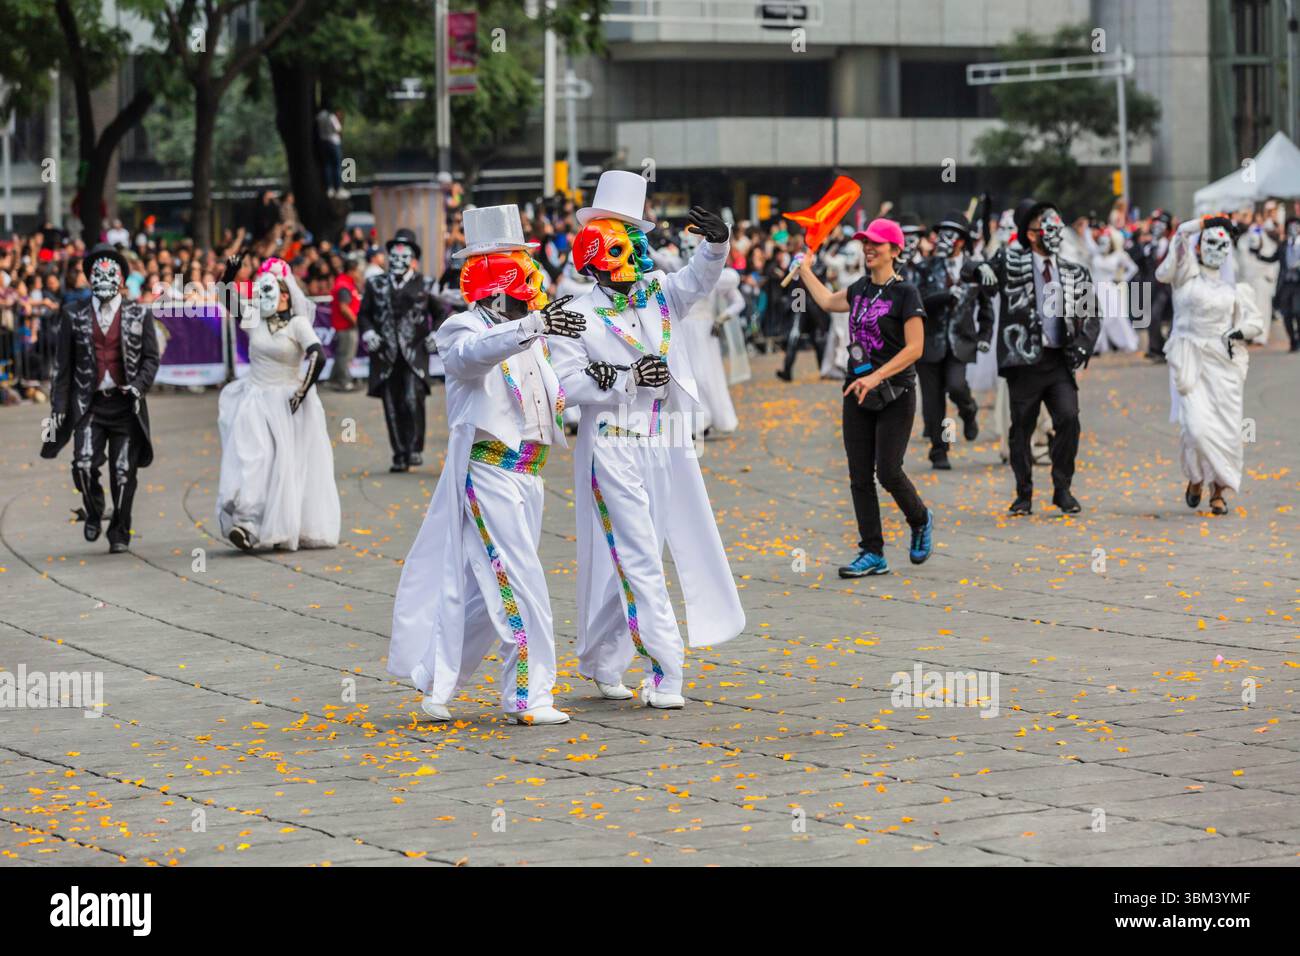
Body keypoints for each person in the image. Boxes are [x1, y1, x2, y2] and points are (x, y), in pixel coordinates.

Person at [548, 170, 745, 710]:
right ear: (592, 256)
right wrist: (629, 378)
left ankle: (602, 658)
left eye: (637, 244)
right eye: (620, 246)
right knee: (638, 556)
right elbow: (564, 386)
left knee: (639, 552)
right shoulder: (577, 313)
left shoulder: (659, 292)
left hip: (664, 441)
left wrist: (717, 243)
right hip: (611, 443)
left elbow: (698, 281)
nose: (633, 258)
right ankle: (668, 668)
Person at [389, 205, 586, 725]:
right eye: (523, 276)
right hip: (489, 472)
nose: (534, 288)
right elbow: (469, 357)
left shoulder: (532, 333)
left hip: (530, 476)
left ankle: (433, 676)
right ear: (498, 284)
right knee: (524, 584)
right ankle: (528, 694)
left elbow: (558, 394)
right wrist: (534, 325)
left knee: (484, 587)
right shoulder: (463, 328)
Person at [798, 218, 933, 577]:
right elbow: (827, 301)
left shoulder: (907, 294)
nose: (869, 249)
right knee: (859, 476)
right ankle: (872, 552)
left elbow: (916, 348)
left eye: (877, 243)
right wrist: (804, 270)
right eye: (865, 243)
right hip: (856, 390)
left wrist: (876, 376)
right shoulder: (859, 288)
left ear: (895, 250)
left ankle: (919, 518)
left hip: (895, 392)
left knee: (888, 471)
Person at [40, 244, 159, 553]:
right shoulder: (73, 314)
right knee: (82, 464)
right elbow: (62, 367)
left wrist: (138, 386)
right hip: (88, 404)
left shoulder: (138, 313)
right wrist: (56, 412)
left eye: (111, 275)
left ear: (121, 280)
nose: (104, 280)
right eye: (97, 274)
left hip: (125, 406)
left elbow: (150, 359)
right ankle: (94, 510)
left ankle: (119, 531)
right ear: (90, 279)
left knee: (123, 473)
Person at [214, 257, 339, 550]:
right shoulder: (253, 318)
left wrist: (302, 392)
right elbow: (224, 296)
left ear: (285, 295)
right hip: (255, 399)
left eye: (269, 291)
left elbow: (318, 356)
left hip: (288, 403)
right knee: (253, 459)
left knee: (285, 466)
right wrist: (231, 271)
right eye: (260, 291)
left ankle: (287, 525)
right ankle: (247, 523)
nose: (263, 297)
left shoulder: (297, 324)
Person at [985, 199, 1099, 516]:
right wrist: (976, 268)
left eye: (1056, 227)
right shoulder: (1009, 262)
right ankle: (1024, 494)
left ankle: (1062, 489)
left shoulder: (1074, 271)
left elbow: (1092, 312)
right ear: (1032, 234)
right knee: (1021, 428)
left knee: (1068, 418)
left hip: (1058, 360)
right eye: (1046, 227)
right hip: (1024, 362)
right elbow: (979, 274)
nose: (1054, 233)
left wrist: (1082, 346)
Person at [1158, 215, 1264, 515]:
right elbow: (1178, 238)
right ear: (1200, 246)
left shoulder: (1235, 289)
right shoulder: (1185, 273)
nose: (1216, 249)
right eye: (1209, 242)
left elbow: (1253, 321)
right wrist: (1202, 223)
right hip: (1188, 359)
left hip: (1224, 364)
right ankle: (1195, 477)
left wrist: (1239, 332)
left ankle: (1219, 489)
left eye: (1222, 243)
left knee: (1227, 430)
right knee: (1195, 428)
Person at [358, 228, 443, 472]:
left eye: (403, 255)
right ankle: (399, 454)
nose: (397, 260)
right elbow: (363, 314)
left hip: (414, 353)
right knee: (391, 404)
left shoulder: (425, 285)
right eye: (393, 255)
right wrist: (368, 332)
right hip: (385, 354)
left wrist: (435, 333)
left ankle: (414, 448)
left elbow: (439, 313)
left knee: (411, 398)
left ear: (413, 259)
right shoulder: (375, 284)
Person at [912, 210, 990, 469]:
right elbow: (918, 301)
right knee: (933, 401)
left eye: (950, 234)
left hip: (960, 342)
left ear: (960, 240)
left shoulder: (974, 268)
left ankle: (969, 411)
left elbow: (986, 306)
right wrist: (946, 295)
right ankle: (939, 449)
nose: (942, 239)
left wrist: (984, 335)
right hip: (929, 342)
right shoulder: (925, 267)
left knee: (956, 387)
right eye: (940, 233)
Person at [681, 267, 742, 436]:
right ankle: (700, 420)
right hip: (684, 330)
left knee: (706, 375)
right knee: (689, 375)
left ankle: (713, 418)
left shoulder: (719, 276)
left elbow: (739, 302)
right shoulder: (682, 270)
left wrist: (722, 318)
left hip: (705, 332)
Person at [1082, 225, 1140, 353]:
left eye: (1106, 241)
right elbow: (1087, 241)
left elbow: (1133, 268)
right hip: (1095, 290)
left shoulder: (1118, 255)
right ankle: (1097, 345)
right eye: (1101, 241)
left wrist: (1122, 279)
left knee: (1117, 317)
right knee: (1095, 317)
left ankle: (1126, 342)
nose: (1103, 244)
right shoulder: (1095, 254)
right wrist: (1088, 228)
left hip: (1109, 289)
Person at [1252, 214, 1300, 352]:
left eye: (1296, 226)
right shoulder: (1284, 245)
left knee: (1298, 311)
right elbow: (1273, 258)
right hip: (1285, 284)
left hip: (1298, 285)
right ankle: (1292, 340)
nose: (1294, 229)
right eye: (1291, 226)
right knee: (1287, 314)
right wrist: (1258, 254)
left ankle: (1298, 337)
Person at [329, 253, 362, 391]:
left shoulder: (347, 283)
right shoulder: (343, 285)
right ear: (352, 270)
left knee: (342, 354)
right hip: (346, 326)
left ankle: (334, 379)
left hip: (346, 325)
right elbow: (344, 308)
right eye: (358, 271)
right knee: (345, 355)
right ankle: (344, 382)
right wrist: (355, 322)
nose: (360, 274)